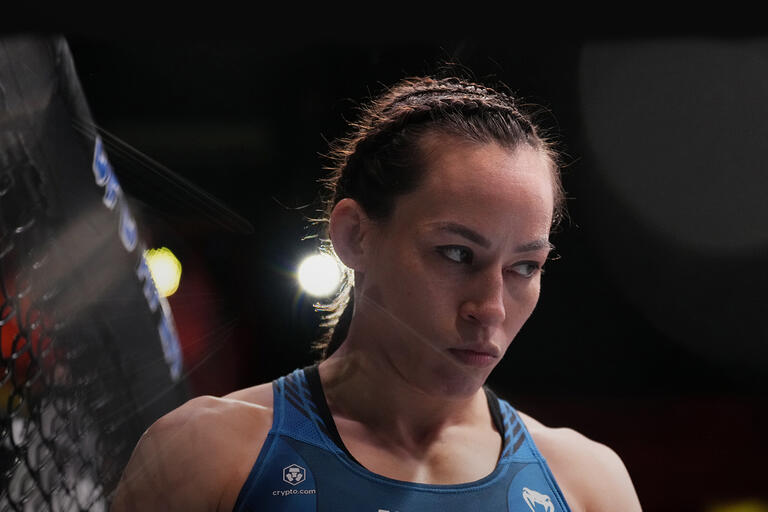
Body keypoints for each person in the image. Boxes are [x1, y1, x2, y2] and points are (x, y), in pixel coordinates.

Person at [110, 75, 642, 511]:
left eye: (525, 266)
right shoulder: (209, 454)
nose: (491, 309)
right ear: (354, 236)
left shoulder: (589, 486)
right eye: (457, 254)